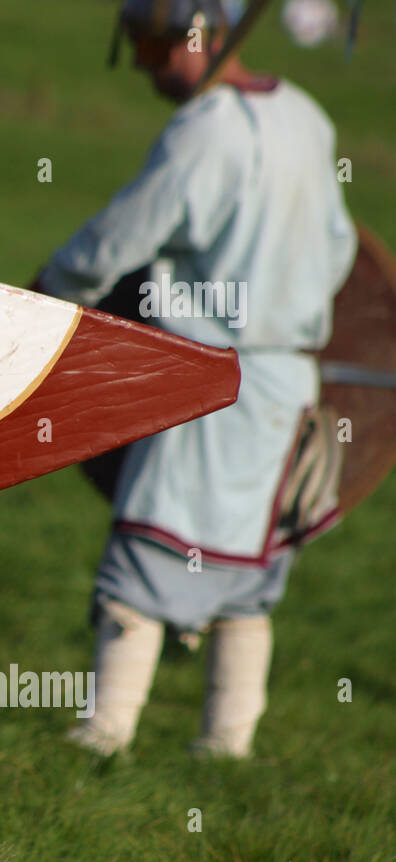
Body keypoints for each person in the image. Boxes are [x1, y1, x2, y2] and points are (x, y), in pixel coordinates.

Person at [38, 0, 356, 758]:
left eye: (153, 46)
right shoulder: (308, 119)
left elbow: (124, 234)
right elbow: (340, 250)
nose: (147, 67)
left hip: (210, 385)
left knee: (144, 561)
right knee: (247, 578)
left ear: (196, 35)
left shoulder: (205, 129)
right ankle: (227, 747)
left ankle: (104, 736)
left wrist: (52, 291)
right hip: (286, 388)